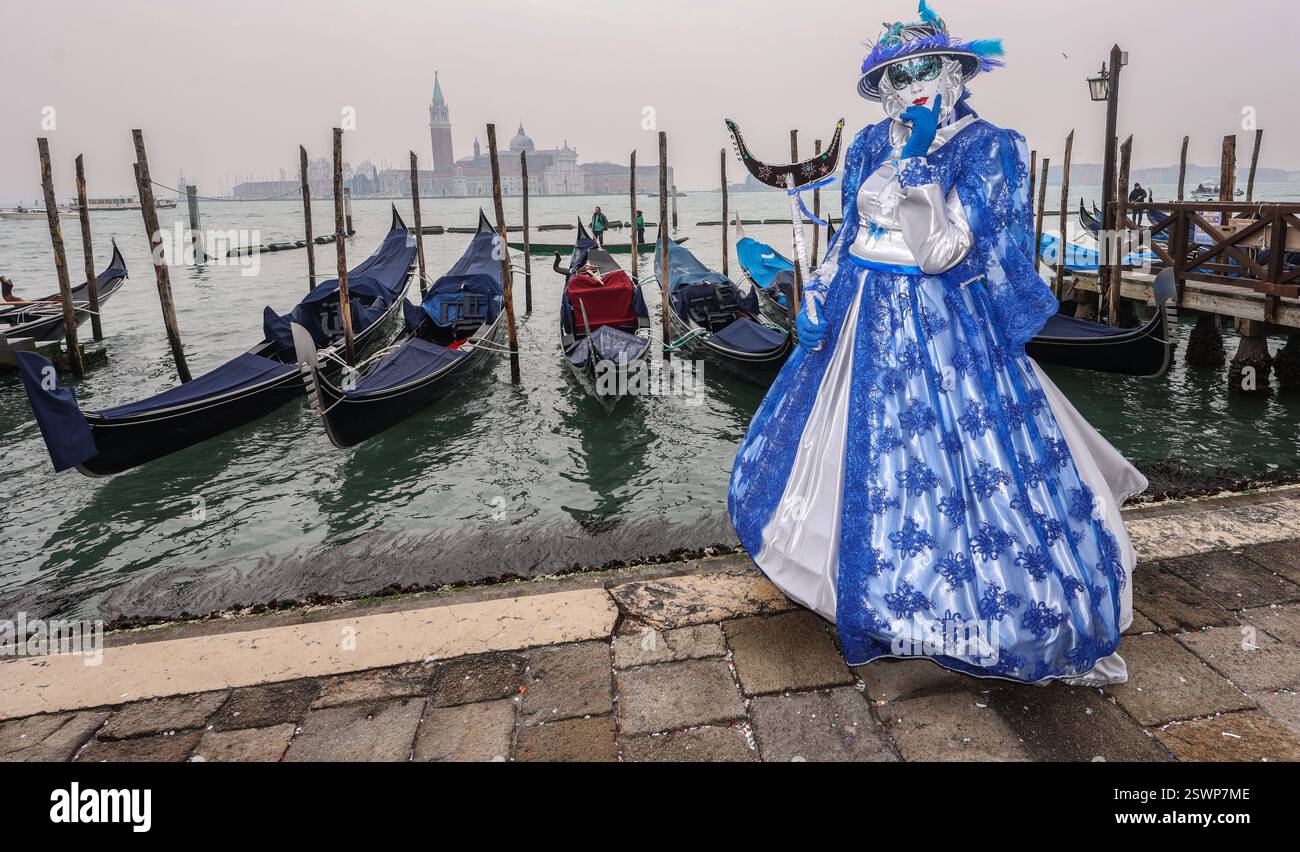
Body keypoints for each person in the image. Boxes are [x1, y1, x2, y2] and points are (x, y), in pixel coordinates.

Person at [728, 0, 1143, 686]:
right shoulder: (866, 144)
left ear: (953, 70)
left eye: (924, 67)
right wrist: (819, 297)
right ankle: (854, 589)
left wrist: (919, 163)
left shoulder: (991, 148)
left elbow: (944, 252)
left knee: (941, 463)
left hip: (941, 325)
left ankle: (947, 609)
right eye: (896, 74)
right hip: (860, 313)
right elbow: (846, 237)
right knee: (853, 454)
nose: (910, 84)